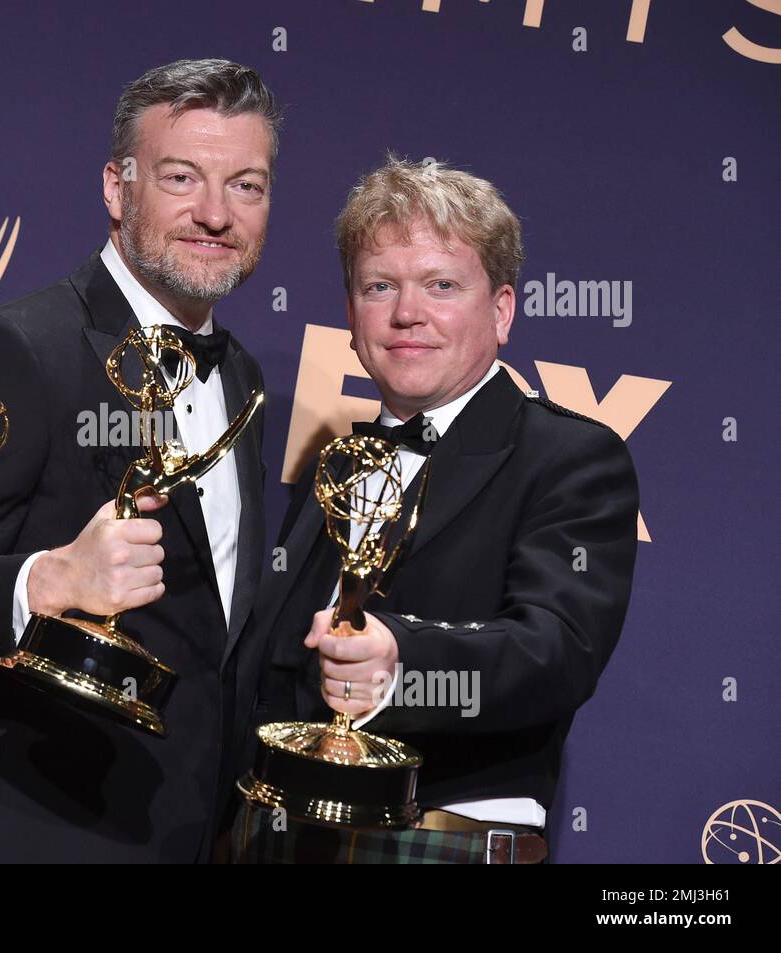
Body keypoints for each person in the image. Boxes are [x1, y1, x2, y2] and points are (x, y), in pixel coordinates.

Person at [0, 59, 278, 863]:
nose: (215, 213)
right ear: (116, 188)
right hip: (28, 833)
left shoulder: (242, 376)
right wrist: (48, 579)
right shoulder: (14, 348)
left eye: (246, 185)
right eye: (182, 177)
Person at [238, 156, 640, 864]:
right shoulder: (337, 463)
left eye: (442, 285)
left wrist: (403, 664)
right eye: (379, 286)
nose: (405, 313)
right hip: (274, 833)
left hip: (439, 835)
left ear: (503, 310)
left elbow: (556, 652)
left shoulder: (570, 456)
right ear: (351, 314)